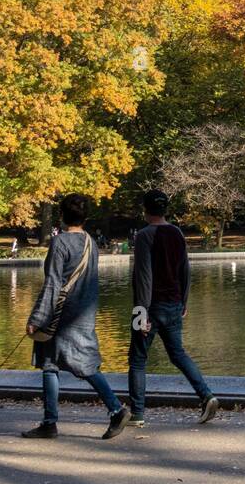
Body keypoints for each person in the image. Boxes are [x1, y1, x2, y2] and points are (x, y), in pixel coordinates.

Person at [23, 193, 129, 440]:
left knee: (50, 367)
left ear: (61, 216)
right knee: (87, 366)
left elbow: (52, 283)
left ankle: (51, 422)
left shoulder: (60, 243)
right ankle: (115, 408)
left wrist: (37, 318)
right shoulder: (91, 242)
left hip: (60, 315)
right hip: (84, 313)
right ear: (86, 217)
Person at [128, 189, 219, 428]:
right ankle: (207, 395)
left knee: (137, 359)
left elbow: (143, 277)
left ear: (146, 209)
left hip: (151, 306)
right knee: (178, 354)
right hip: (174, 304)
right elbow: (185, 270)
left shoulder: (144, 235)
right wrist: (184, 301)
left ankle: (137, 413)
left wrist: (141, 313)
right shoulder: (177, 233)